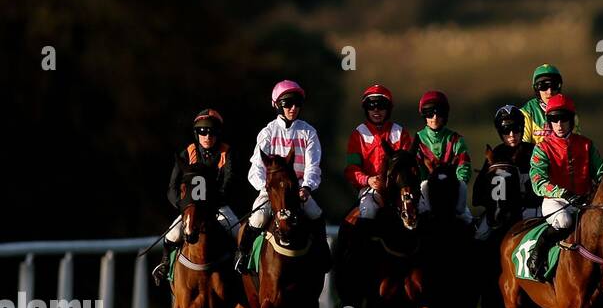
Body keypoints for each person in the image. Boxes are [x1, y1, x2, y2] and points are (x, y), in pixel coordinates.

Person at [237, 79, 324, 273]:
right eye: (287, 103)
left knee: (316, 214)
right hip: (272, 190)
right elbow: (255, 169)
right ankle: (243, 255)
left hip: (298, 189)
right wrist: (267, 188)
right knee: (258, 218)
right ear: (277, 105)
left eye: (297, 104)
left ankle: (322, 255)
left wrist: (306, 187)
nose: (293, 108)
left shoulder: (309, 132)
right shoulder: (267, 133)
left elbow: (313, 166)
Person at [153, 108, 237, 286]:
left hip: (218, 208)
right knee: (172, 235)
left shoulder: (226, 153)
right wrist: (183, 206)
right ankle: (165, 264)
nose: (207, 136)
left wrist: (215, 202)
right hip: (191, 209)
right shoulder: (187, 153)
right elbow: (172, 187)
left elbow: (229, 181)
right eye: (202, 131)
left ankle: (241, 268)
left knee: (238, 233)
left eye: (212, 132)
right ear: (196, 133)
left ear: (218, 133)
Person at [528, 94, 603, 277]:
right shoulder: (542, 148)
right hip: (555, 202)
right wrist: (563, 193)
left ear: (571, 120)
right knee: (564, 221)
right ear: (549, 122)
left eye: (564, 118)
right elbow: (538, 181)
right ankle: (536, 257)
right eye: (554, 119)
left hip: (584, 201)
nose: (559, 123)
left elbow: (601, 173)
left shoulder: (587, 145)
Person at [344, 84, 414, 239]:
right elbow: (351, 170)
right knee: (368, 208)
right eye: (371, 107)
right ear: (366, 109)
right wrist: (368, 180)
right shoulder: (358, 135)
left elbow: (409, 166)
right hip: (370, 189)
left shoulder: (400, 132)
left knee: (421, 207)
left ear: (388, 109)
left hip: (399, 190)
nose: (376, 111)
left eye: (381, 107)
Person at [474, 105, 541, 238]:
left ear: (522, 129)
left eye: (516, 129)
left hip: (531, 210)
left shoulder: (535, 152)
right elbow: (478, 194)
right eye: (506, 130)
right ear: (500, 132)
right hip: (500, 213)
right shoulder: (496, 154)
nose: (511, 135)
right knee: (478, 235)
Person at [413, 90, 473, 226]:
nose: (434, 117)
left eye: (438, 112)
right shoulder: (417, 140)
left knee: (468, 221)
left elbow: (464, 165)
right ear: (423, 114)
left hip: (452, 189)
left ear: (445, 115)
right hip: (427, 190)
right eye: (429, 113)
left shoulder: (456, 139)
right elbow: (416, 170)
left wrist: (458, 182)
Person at [520, 63, 579, 143]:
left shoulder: (569, 109)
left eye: (554, 85)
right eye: (543, 86)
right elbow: (523, 147)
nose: (550, 91)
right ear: (536, 89)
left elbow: (577, 144)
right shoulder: (526, 112)